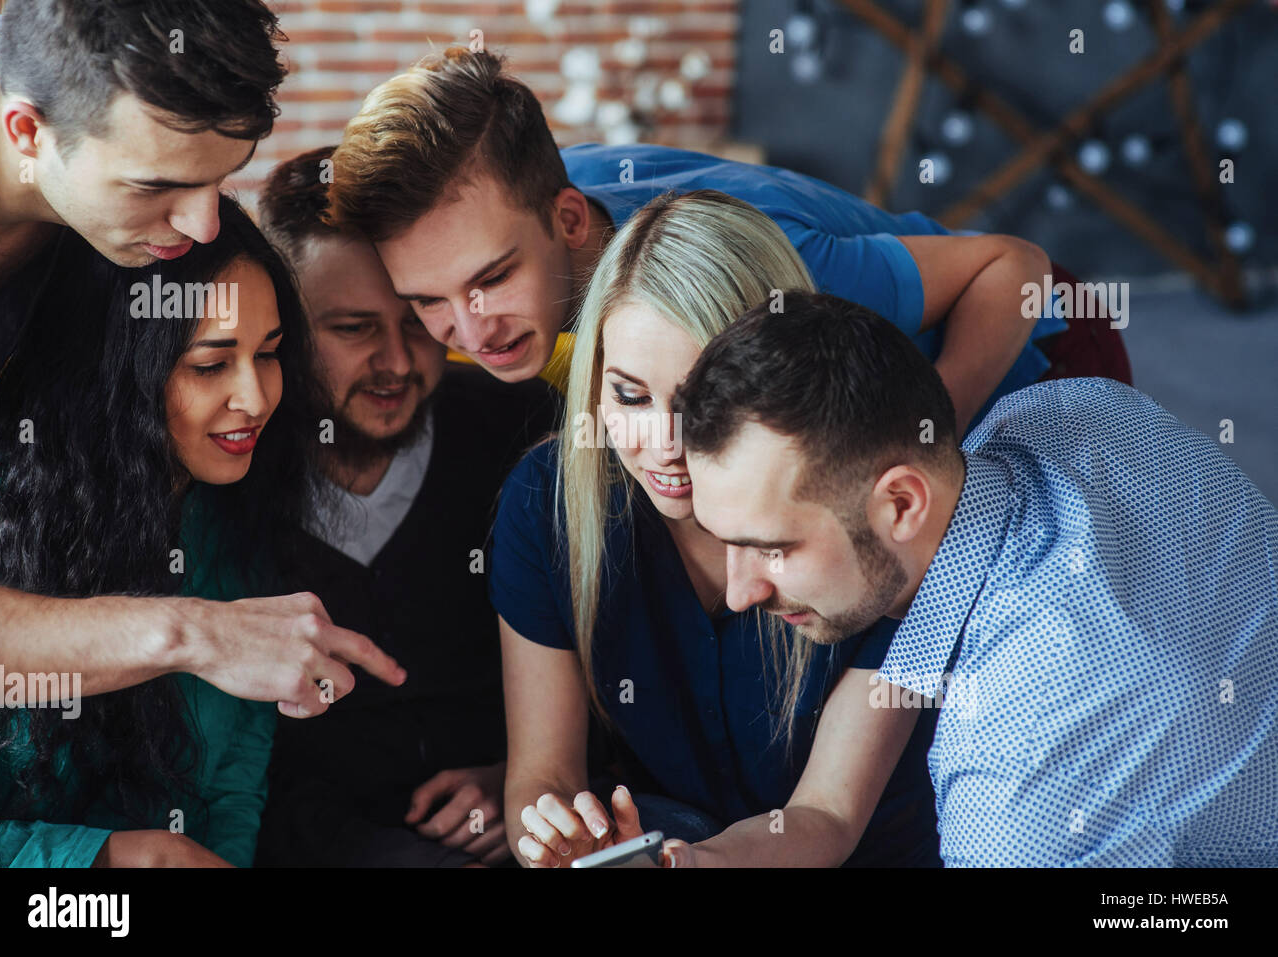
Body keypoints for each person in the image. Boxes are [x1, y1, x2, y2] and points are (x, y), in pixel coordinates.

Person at [673, 291, 1278, 866]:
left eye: (772, 548)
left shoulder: (1013, 778)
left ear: (904, 504)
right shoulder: (1079, 408)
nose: (739, 592)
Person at [324, 46, 1129, 434]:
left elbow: (1010, 265)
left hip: (1040, 338)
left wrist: (922, 436)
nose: (469, 331)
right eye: (427, 299)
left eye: (489, 282)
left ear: (569, 218)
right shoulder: (515, 196)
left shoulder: (757, 273)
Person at [0, 2, 405, 720]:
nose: (204, 225)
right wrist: (192, 632)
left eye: (221, 178)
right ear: (28, 131)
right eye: (158, 186)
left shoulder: (73, 120)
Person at [491, 190, 941, 868]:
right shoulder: (545, 505)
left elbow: (827, 815)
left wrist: (697, 863)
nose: (665, 443)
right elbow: (541, 775)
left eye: (702, 400)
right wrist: (559, 843)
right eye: (630, 395)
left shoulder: (858, 516)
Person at [0, 196, 325, 866]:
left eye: (270, 352)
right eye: (210, 364)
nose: (255, 399)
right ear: (115, 368)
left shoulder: (236, 518)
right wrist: (102, 860)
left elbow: (232, 788)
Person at [253, 147, 558, 867]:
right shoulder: (227, 468)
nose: (396, 361)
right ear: (283, 327)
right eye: (354, 328)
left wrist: (521, 779)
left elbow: (606, 660)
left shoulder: (522, 430)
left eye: (418, 319)